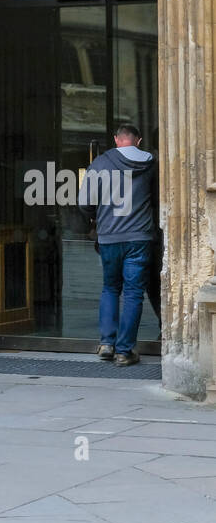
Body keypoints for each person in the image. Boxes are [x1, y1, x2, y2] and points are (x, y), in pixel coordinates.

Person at [79, 123, 158, 367]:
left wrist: (98, 216)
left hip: (110, 236)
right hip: (140, 237)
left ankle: (106, 343)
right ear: (139, 140)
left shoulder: (100, 163)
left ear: (116, 140)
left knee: (111, 288)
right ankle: (125, 352)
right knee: (134, 293)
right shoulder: (152, 164)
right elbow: (159, 198)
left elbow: (84, 202)